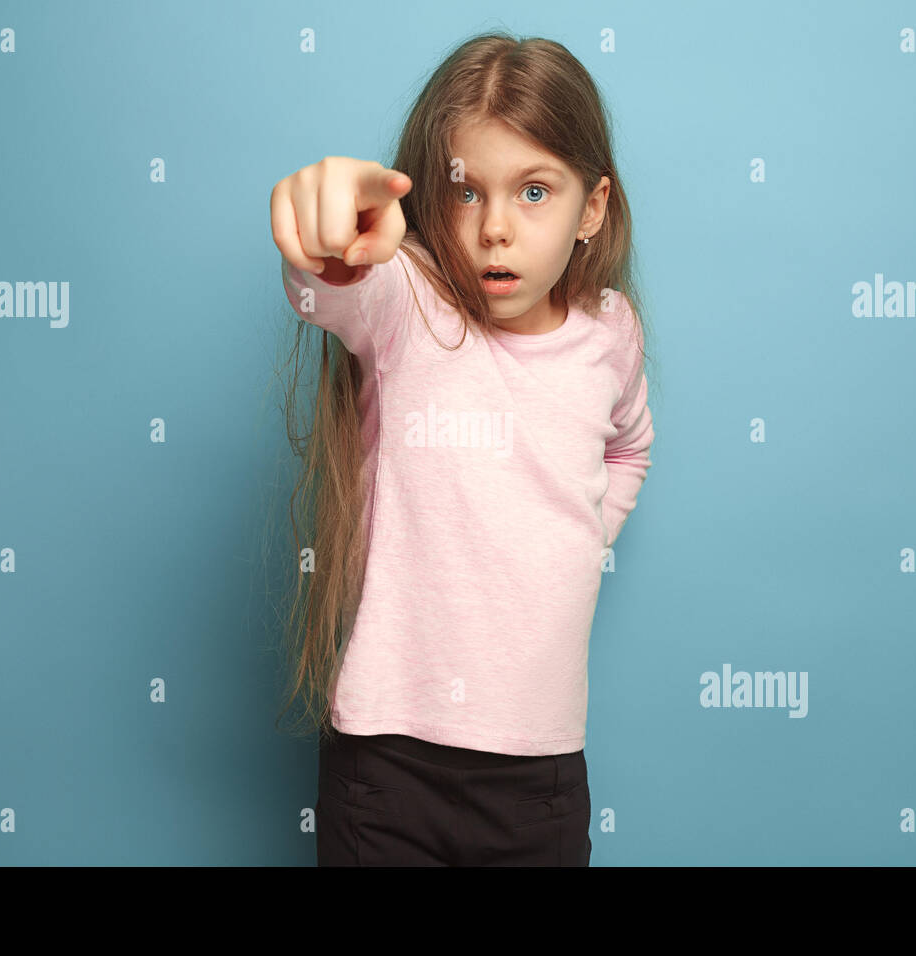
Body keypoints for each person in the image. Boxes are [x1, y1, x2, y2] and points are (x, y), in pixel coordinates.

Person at [269, 32, 655, 866]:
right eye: (466, 193)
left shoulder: (609, 336)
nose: (496, 230)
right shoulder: (407, 300)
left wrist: (583, 539)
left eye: (535, 192)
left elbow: (630, 450)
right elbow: (327, 285)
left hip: (539, 779)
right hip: (387, 767)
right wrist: (322, 223)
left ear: (592, 208)